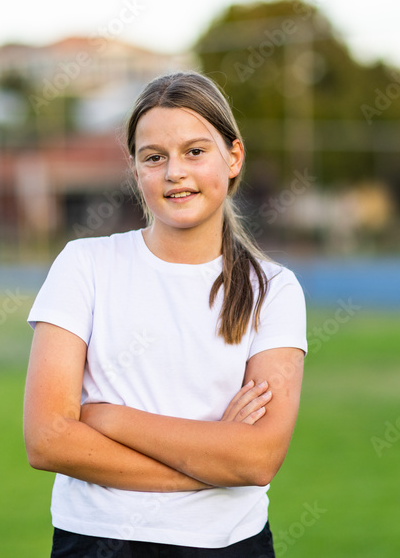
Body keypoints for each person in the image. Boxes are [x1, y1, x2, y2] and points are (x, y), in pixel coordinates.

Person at [22, 71, 307, 557]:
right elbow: (47, 439)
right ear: (136, 171)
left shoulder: (272, 289)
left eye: (195, 151)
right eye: (154, 157)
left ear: (233, 157)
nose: (175, 171)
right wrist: (210, 463)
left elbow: (258, 459)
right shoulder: (84, 265)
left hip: (229, 544)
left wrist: (106, 418)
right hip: (98, 542)